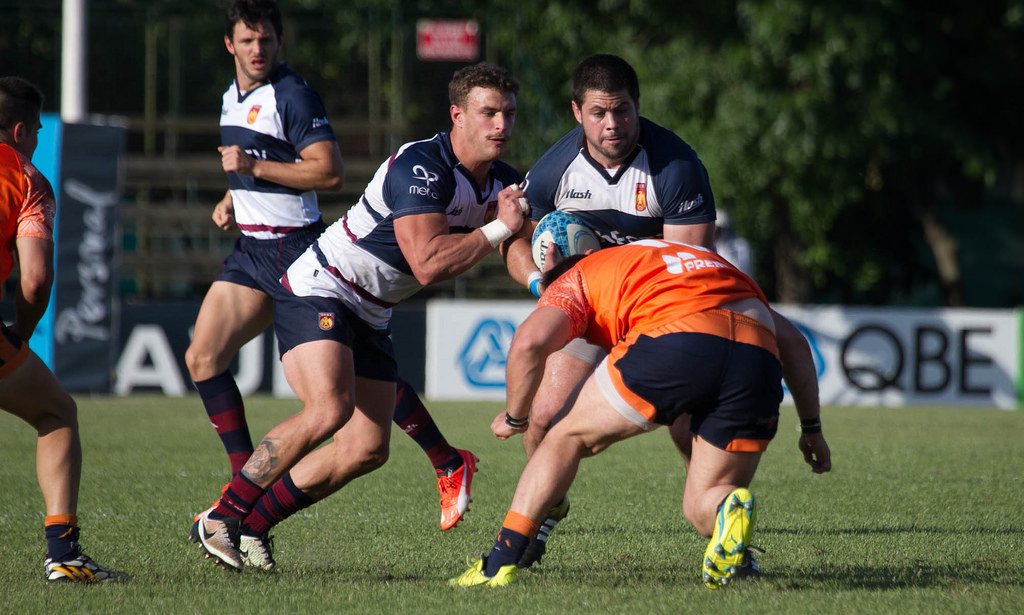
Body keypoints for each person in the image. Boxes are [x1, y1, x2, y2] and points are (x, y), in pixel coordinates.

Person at [193, 62, 526, 572]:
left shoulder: (501, 180)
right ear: (457, 116)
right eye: (488, 113)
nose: (500, 125)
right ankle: (222, 516)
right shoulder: (422, 166)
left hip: (370, 310)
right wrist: (501, 230)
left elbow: (514, 241)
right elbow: (429, 263)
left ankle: (254, 524)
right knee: (329, 408)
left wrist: (541, 276)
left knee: (368, 448)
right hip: (320, 287)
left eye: (507, 113)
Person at [500, 54, 821, 567]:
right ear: (576, 112)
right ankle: (543, 516)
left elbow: (693, 269)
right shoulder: (552, 172)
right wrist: (543, 279)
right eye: (600, 113)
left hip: (666, 311)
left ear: (638, 107)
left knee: (686, 423)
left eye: (623, 111)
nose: (613, 125)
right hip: (595, 301)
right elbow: (516, 238)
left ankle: (725, 536)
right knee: (544, 418)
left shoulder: (675, 167)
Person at [450, 240, 832, 588]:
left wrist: (515, 417)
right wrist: (811, 429)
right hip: (756, 352)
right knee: (702, 502)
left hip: (677, 335)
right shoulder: (689, 259)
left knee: (564, 436)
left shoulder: (576, 277)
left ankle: (497, 564)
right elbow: (796, 345)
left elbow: (530, 342)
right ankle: (725, 508)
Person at [0, 76, 129, 583]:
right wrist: (20, 334)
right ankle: (64, 555)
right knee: (56, 412)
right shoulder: (27, 179)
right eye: (33, 132)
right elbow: (35, 280)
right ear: (20, 131)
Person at [714, 210, 754, 277]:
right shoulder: (712, 248)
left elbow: (743, 269)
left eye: (718, 229)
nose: (716, 233)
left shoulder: (740, 246)